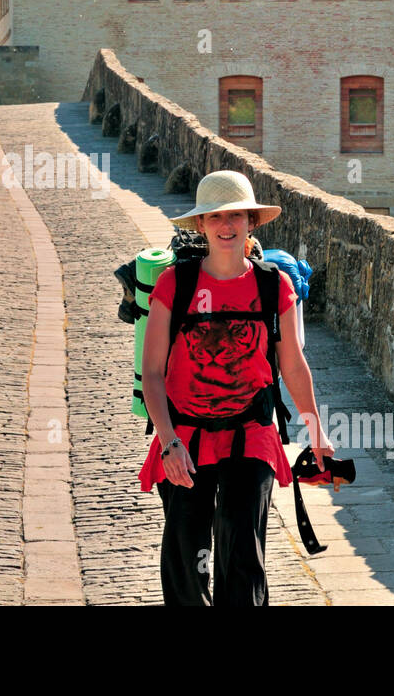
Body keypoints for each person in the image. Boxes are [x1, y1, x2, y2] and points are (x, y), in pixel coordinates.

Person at [138, 170, 333, 606]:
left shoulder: (272, 285)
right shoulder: (177, 284)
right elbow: (152, 372)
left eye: (237, 216)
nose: (227, 226)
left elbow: (292, 365)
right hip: (185, 434)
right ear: (203, 225)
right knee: (187, 558)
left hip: (252, 431)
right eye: (217, 217)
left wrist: (316, 431)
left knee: (243, 547)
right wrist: (169, 443)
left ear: (250, 223)